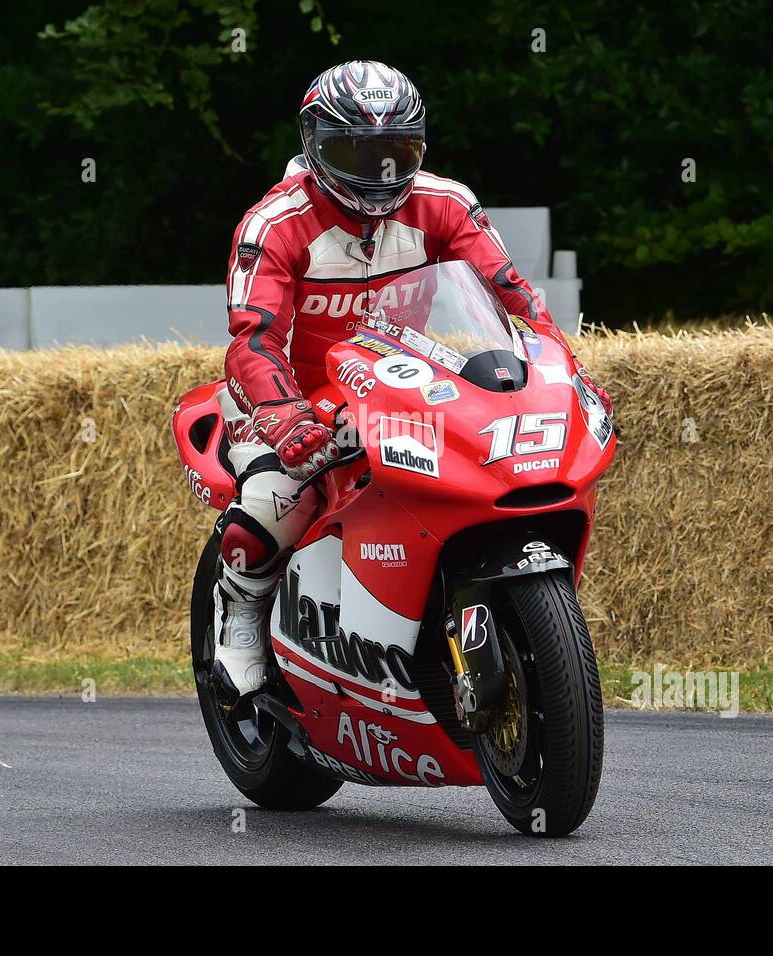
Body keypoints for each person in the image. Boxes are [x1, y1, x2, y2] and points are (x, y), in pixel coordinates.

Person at [212, 59, 613, 702]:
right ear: (313, 145)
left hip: (401, 385)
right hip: (292, 394)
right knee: (274, 500)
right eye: (356, 152)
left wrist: (566, 376)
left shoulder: (446, 203)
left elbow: (518, 303)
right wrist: (286, 419)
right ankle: (241, 621)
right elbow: (253, 341)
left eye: (396, 152)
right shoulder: (274, 225)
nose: (379, 174)